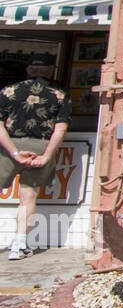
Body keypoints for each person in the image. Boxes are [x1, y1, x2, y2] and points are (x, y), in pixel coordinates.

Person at [0, 62, 70, 260]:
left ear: (28, 70)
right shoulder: (59, 94)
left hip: (9, 146)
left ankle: (18, 244)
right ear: (51, 71)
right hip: (40, 145)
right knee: (28, 197)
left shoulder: (8, 91)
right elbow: (60, 128)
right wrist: (47, 155)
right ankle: (19, 244)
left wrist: (14, 152)